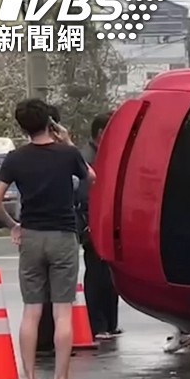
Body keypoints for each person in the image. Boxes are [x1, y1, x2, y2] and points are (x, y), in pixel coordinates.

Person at [0, 98, 95, 379]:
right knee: (62, 311)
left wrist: (14, 225)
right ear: (51, 122)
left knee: (31, 311)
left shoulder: (15, 158)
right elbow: (91, 177)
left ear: (21, 125)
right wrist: (68, 141)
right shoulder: (67, 154)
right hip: (62, 235)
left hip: (31, 236)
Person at [78, 111, 122, 340]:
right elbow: (86, 197)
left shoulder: (106, 154)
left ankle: (111, 323)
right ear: (101, 133)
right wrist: (87, 227)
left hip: (107, 223)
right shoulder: (87, 158)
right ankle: (98, 324)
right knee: (96, 275)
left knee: (109, 275)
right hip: (93, 225)